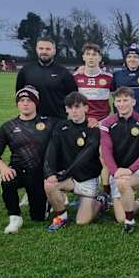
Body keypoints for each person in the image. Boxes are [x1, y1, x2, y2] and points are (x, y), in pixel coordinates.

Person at [0, 86, 59, 233]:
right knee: (7, 179)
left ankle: (46, 202)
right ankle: (15, 217)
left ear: (36, 103)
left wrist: (91, 121)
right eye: (21, 100)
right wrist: (3, 168)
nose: (25, 103)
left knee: (38, 217)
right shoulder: (8, 127)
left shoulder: (50, 123)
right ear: (17, 103)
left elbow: (71, 127)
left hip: (41, 175)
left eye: (29, 100)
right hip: (19, 170)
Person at [98, 87, 139, 233]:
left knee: (123, 183)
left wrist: (130, 170)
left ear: (133, 102)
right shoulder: (106, 123)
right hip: (117, 173)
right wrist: (115, 171)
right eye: (118, 101)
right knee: (120, 217)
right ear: (114, 103)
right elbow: (106, 151)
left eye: (125, 100)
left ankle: (130, 222)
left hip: (138, 171)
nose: (122, 104)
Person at [43, 92, 103, 231]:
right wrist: (50, 173)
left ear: (86, 108)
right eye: (70, 107)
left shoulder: (93, 129)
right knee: (49, 184)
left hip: (87, 178)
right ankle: (61, 216)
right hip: (69, 177)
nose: (74, 111)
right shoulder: (61, 127)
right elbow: (51, 151)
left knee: (82, 221)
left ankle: (100, 201)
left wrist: (64, 175)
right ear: (66, 109)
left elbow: (84, 157)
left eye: (77, 107)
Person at [15, 37, 77, 118]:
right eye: (41, 48)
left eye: (48, 49)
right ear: (36, 49)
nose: (44, 52)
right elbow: (19, 95)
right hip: (32, 120)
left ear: (54, 51)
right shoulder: (26, 70)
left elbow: (73, 97)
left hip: (57, 120)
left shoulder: (64, 72)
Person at [72, 42, 114, 121]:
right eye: (88, 54)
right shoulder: (75, 77)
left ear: (100, 58)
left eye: (94, 54)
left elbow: (116, 98)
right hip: (83, 121)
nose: (91, 57)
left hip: (103, 120)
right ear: (83, 57)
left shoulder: (109, 77)